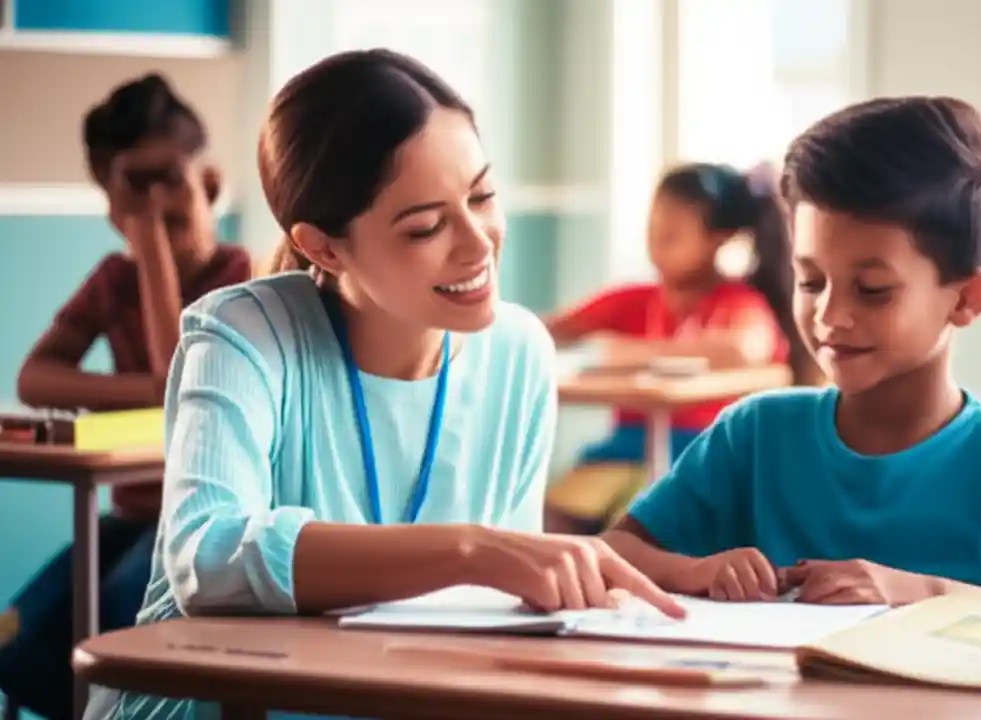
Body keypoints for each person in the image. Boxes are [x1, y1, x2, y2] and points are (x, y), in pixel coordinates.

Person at [90, 49, 681, 720]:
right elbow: (210, 559)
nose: (477, 243)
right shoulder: (242, 333)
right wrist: (469, 550)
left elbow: (509, 614)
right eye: (426, 226)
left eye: (483, 196)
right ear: (324, 248)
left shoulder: (519, 353)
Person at [602, 97, 981, 612]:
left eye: (873, 289)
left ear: (967, 298)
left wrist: (918, 591)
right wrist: (695, 570)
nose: (830, 315)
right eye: (811, 281)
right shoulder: (754, 435)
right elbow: (613, 552)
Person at [0, 74, 251, 720]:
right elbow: (36, 377)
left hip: (204, 521)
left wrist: (154, 258)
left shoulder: (243, 280)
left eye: (174, 196)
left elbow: (181, 373)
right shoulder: (114, 280)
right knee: (17, 641)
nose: (155, 220)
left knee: (115, 620)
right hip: (130, 509)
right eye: (135, 202)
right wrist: (144, 392)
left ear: (212, 185)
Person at [543, 163, 802, 533]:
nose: (657, 241)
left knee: (638, 526)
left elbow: (745, 350)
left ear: (719, 238)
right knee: (551, 522)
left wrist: (618, 354)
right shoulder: (633, 299)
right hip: (623, 450)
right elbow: (549, 329)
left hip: (703, 453)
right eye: (654, 228)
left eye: (673, 234)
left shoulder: (737, 304)